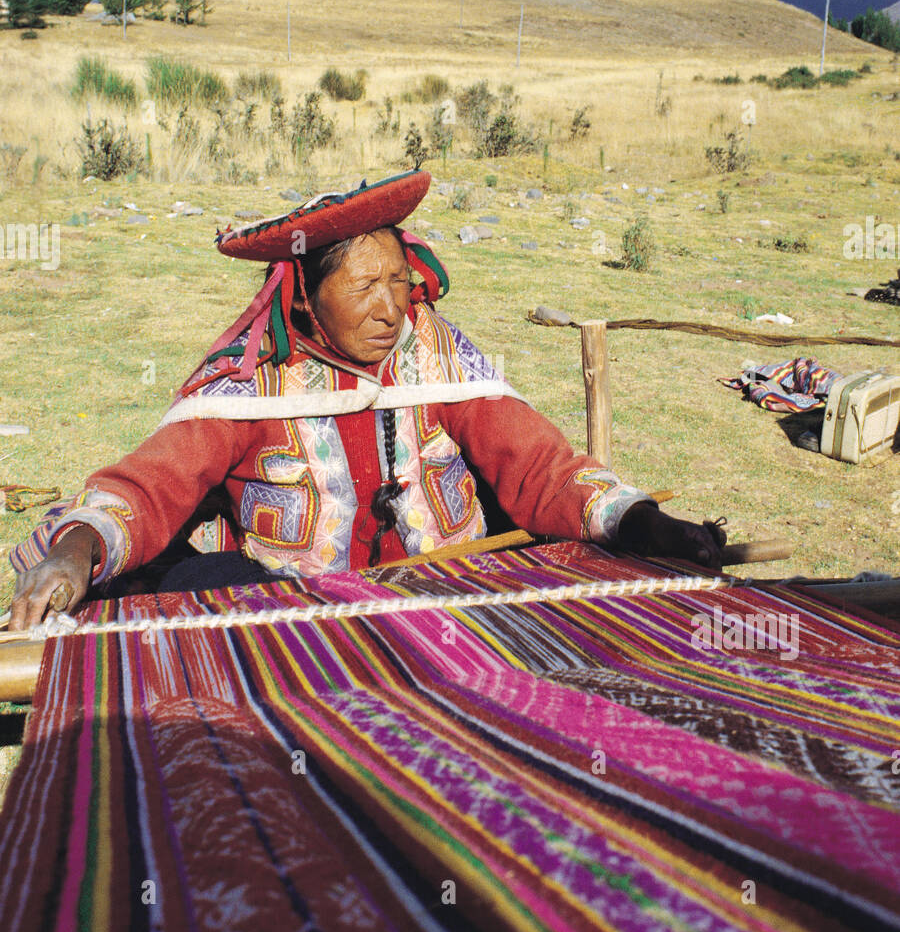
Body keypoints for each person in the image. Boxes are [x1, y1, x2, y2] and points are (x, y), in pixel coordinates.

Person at [8, 170, 723, 629]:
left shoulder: (433, 352)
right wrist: (74, 556)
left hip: (446, 601)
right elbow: (151, 487)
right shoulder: (251, 380)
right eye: (361, 289)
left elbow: (538, 466)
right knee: (199, 587)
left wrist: (641, 523)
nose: (390, 310)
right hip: (295, 620)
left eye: (399, 283)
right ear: (305, 297)